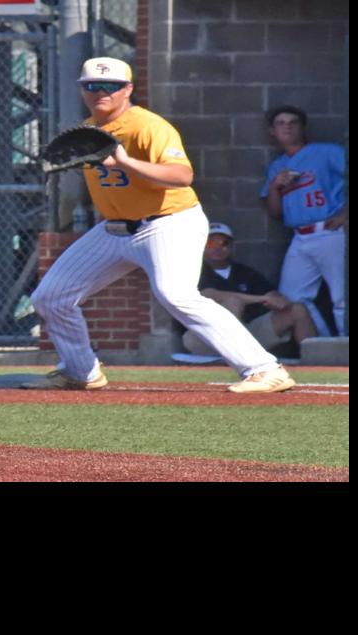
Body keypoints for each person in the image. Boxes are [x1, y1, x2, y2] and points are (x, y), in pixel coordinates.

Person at [30, 58, 296, 394]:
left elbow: (182, 176)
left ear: (128, 89)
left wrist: (125, 161)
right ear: (82, 89)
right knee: (50, 297)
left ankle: (265, 369)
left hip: (168, 222)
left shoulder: (147, 126)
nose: (101, 92)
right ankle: (80, 371)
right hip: (114, 229)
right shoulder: (87, 131)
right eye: (92, 85)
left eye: (112, 85)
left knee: (176, 294)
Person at [262, 105, 348, 337]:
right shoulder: (277, 166)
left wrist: (346, 213)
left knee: (342, 296)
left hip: (330, 231)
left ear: (303, 127)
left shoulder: (326, 152)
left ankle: (346, 347)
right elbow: (275, 212)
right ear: (272, 132)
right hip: (300, 237)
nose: (287, 127)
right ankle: (322, 346)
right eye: (281, 123)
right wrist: (275, 187)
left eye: (293, 122)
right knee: (290, 299)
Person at [180, 222, 314, 359]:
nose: (218, 247)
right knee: (233, 302)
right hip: (205, 337)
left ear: (232, 247)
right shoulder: (193, 271)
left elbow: (270, 293)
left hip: (247, 334)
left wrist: (278, 300)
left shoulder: (244, 272)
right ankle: (232, 358)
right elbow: (208, 294)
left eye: (224, 243)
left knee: (298, 309)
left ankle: (313, 361)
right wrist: (261, 299)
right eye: (210, 243)